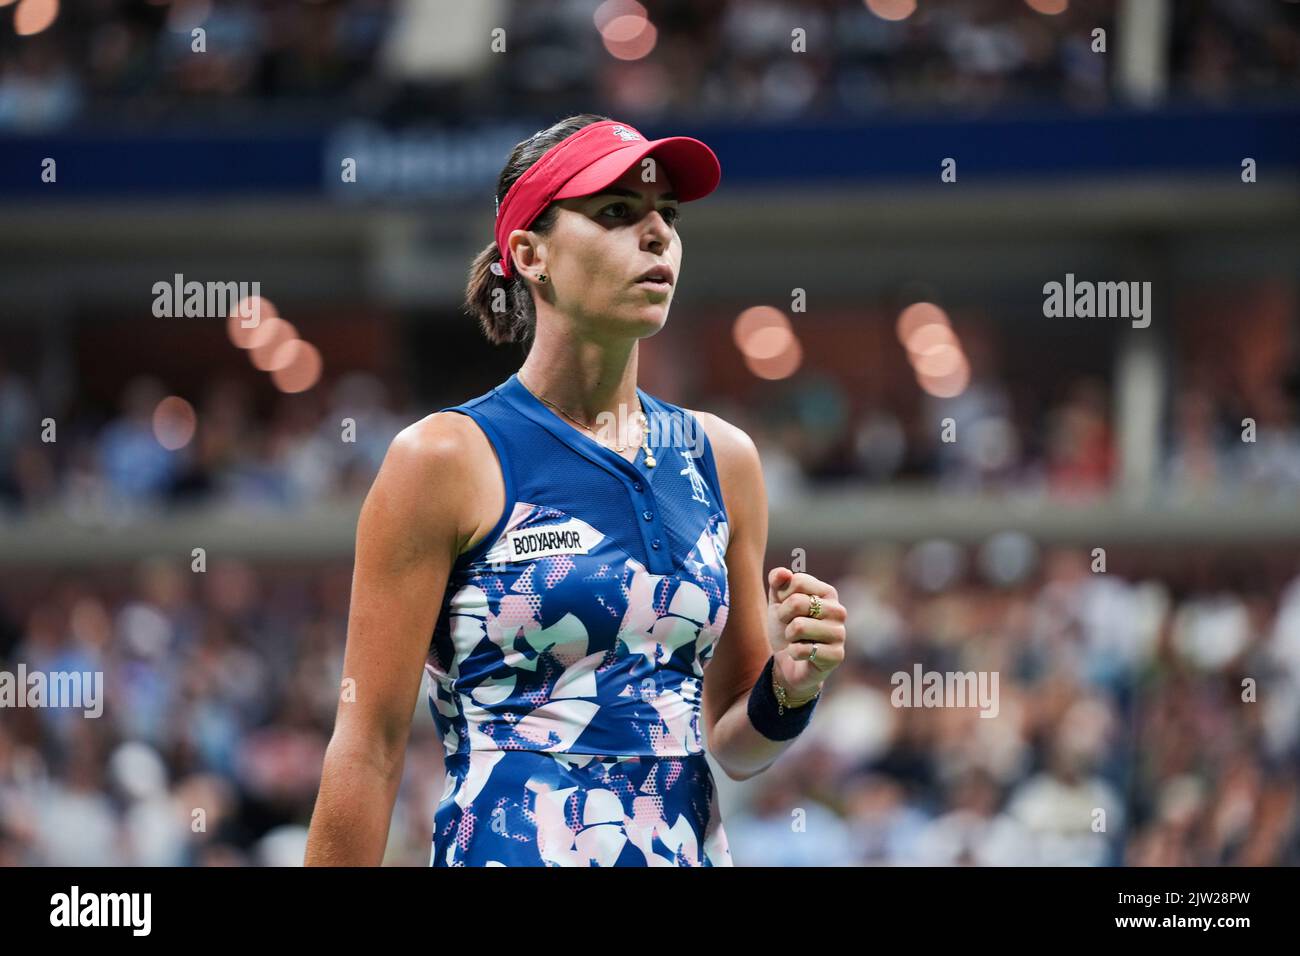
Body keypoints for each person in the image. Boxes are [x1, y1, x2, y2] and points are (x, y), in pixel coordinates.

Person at [305, 114, 847, 867]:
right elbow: (368, 746)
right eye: (617, 213)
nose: (656, 234)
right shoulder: (442, 459)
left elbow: (733, 743)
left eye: (668, 216)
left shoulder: (723, 458)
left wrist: (790, 687)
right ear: (530, 253)